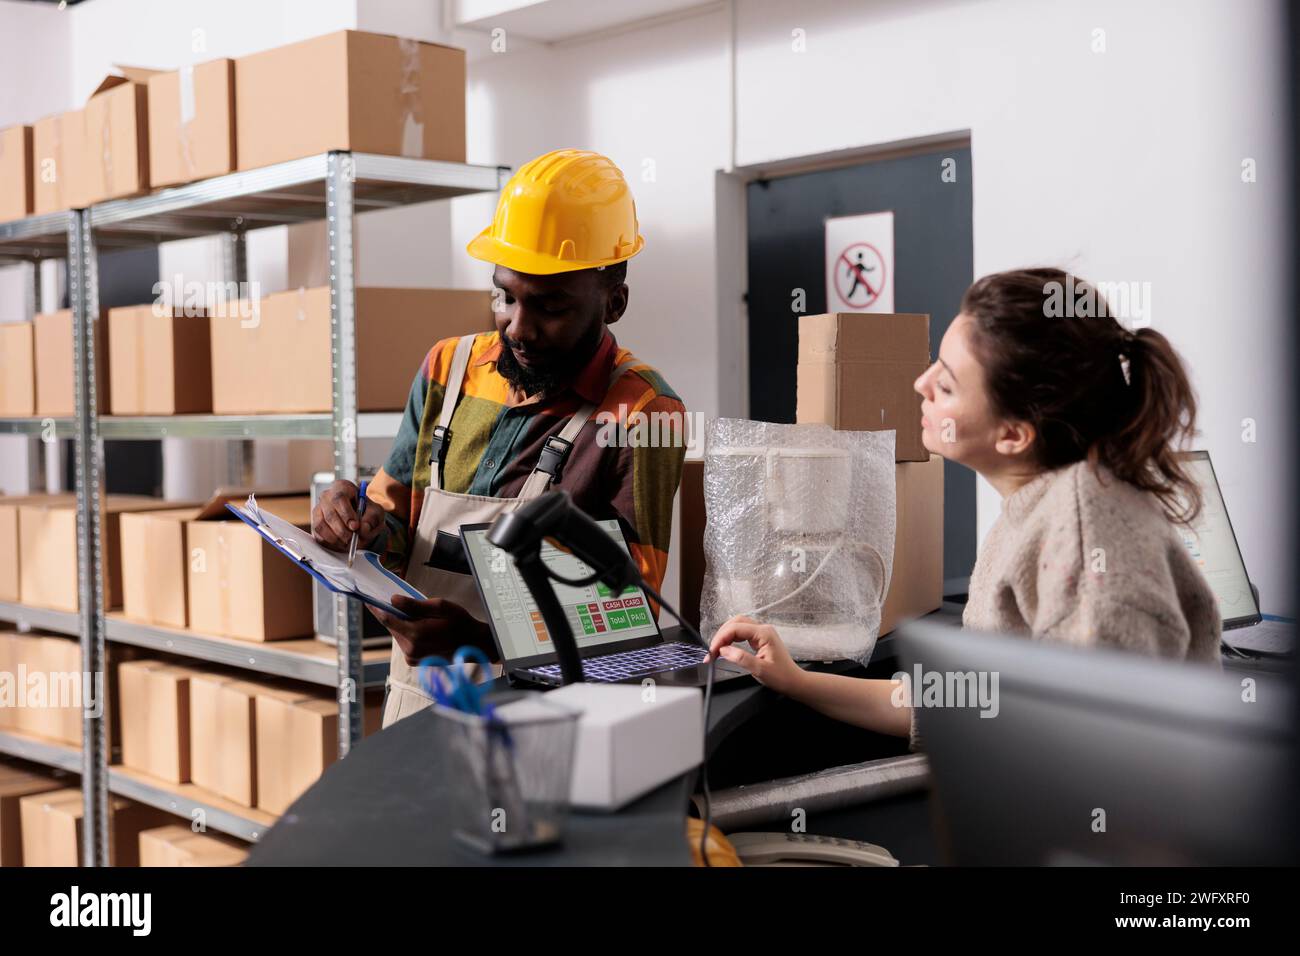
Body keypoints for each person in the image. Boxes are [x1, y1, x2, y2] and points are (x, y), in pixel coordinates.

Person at [707, 267, 1222, 748]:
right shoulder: (1033, 511)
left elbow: (1109, 758)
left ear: (1015, 434)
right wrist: (795, 680)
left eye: (947, 384)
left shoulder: (1085, 528)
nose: (920, 385)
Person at [311, 149, 688, 726]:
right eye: (505, 296)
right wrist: (353, 520)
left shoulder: (642, 412)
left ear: (614, 299)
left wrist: (486, 642)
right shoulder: (447, 367)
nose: (518, 327)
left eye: (550, 306)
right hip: (417, 704)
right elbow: (394, 524)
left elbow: (627, 618)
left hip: (544, 723)